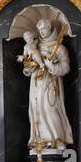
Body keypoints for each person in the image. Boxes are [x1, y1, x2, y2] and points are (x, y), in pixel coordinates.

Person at [23, 17, 74, 153]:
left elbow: (65, 68)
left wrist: (52, 66)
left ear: (50, 28)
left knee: (50, 108)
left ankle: (57, 139)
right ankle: (40, 141)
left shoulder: (59, 47)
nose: (42, 32)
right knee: (36, 108)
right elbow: (27, 67)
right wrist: (30, 66)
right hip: (36, 83)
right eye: (40, 29)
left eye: (44, 28)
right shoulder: (35, 47)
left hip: (51, 83)